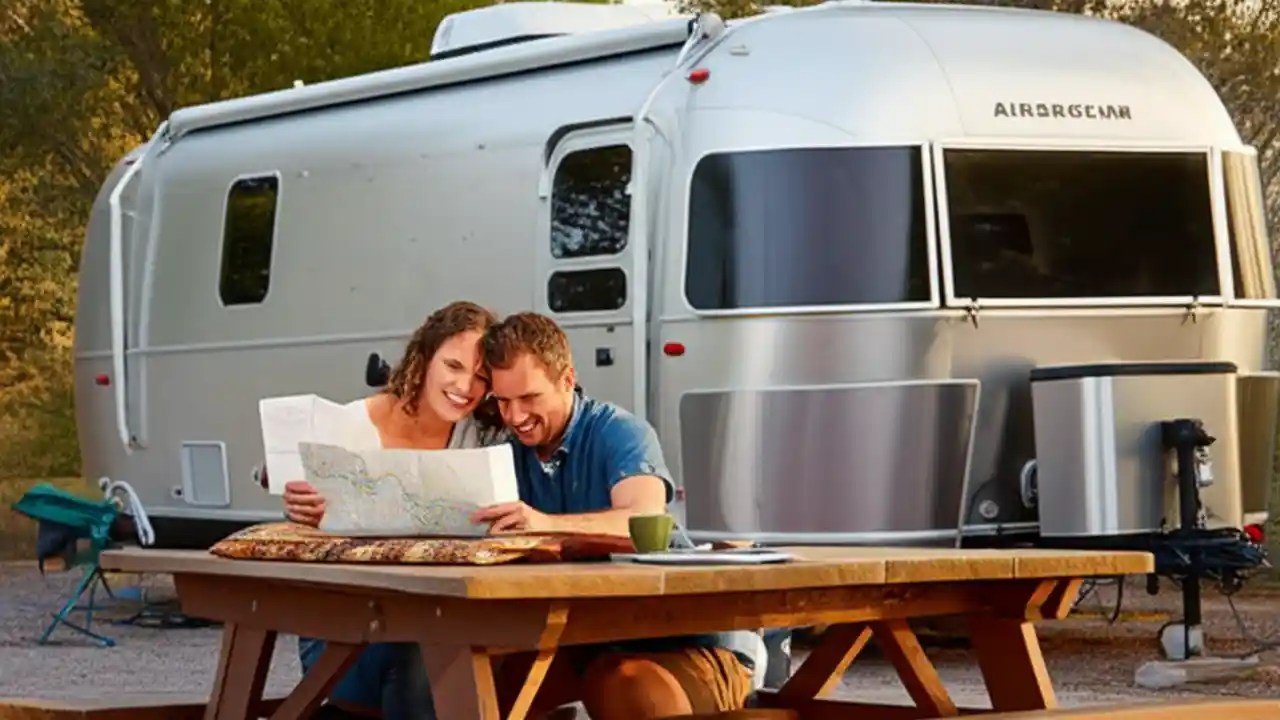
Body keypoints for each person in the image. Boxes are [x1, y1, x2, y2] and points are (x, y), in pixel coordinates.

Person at [471, 312, 765, 720]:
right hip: (579, 640)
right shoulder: (507, 454)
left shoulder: (621, 431)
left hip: (684, 641)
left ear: (567, 379)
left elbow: (642, 518)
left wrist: (544, 523)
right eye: (503, 401)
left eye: (529, 398)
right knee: (478, 686)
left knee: (623, 683)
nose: (514, 416)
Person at [281, 300, 509, 720]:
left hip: (436, 616)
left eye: (480, 377)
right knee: (431, 655)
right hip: (345, 624)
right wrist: (296, 502)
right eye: (453, 366)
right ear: (424, 357)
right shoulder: (349, 424)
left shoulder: (479, 436)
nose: (466, 386)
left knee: (468, 649)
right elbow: (286, 480)